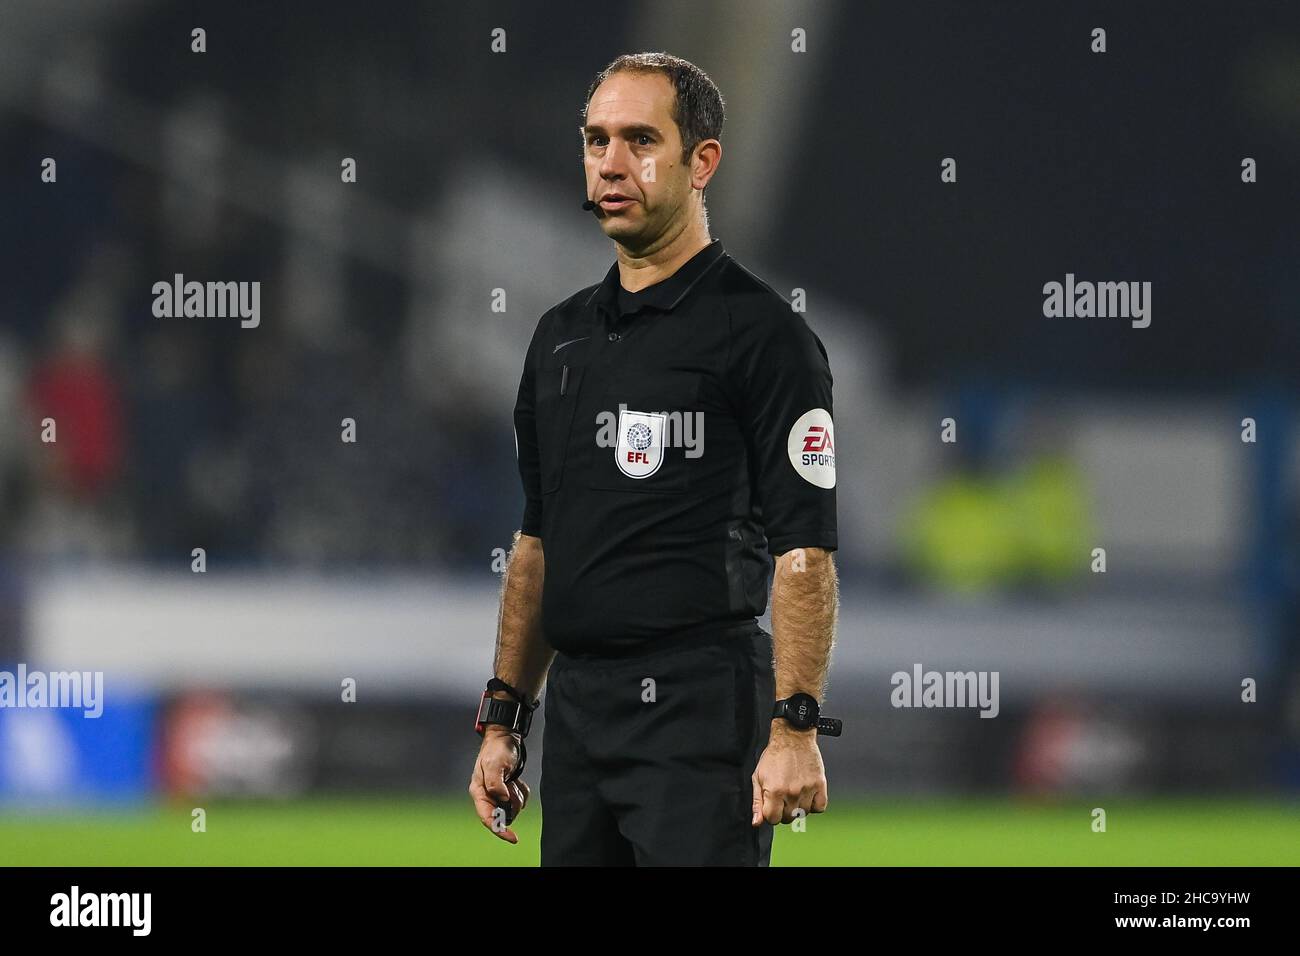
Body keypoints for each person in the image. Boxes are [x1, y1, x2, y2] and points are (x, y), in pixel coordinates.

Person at [469, 52, 840, 866]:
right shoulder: (559, 339)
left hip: (700, 709)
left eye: (640, 139)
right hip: (577, 709)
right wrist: (504, 718)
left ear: (701, 161)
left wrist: (794, 728)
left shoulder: (766, 337)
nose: (611, 162)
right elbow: (537, 545)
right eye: (596, 140)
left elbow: (805, 551)